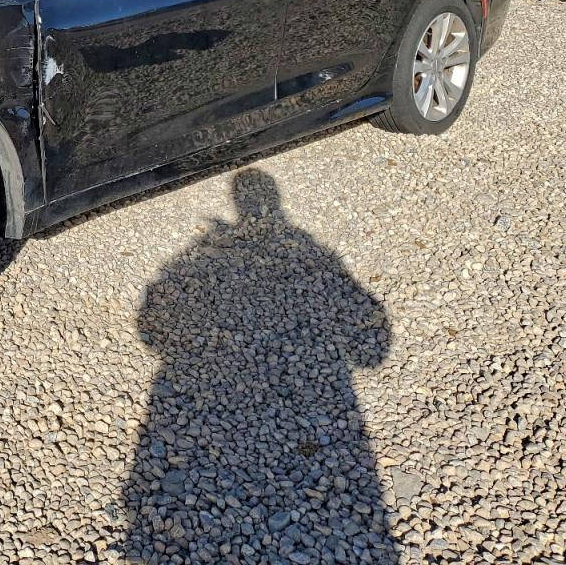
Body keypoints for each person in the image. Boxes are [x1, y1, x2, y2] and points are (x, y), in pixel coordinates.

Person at [122, 168, 398, 564]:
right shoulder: (310, 249)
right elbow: (374, 349)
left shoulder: (196, 256)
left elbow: (149, 329)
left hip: (192, 407)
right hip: (325, 411)